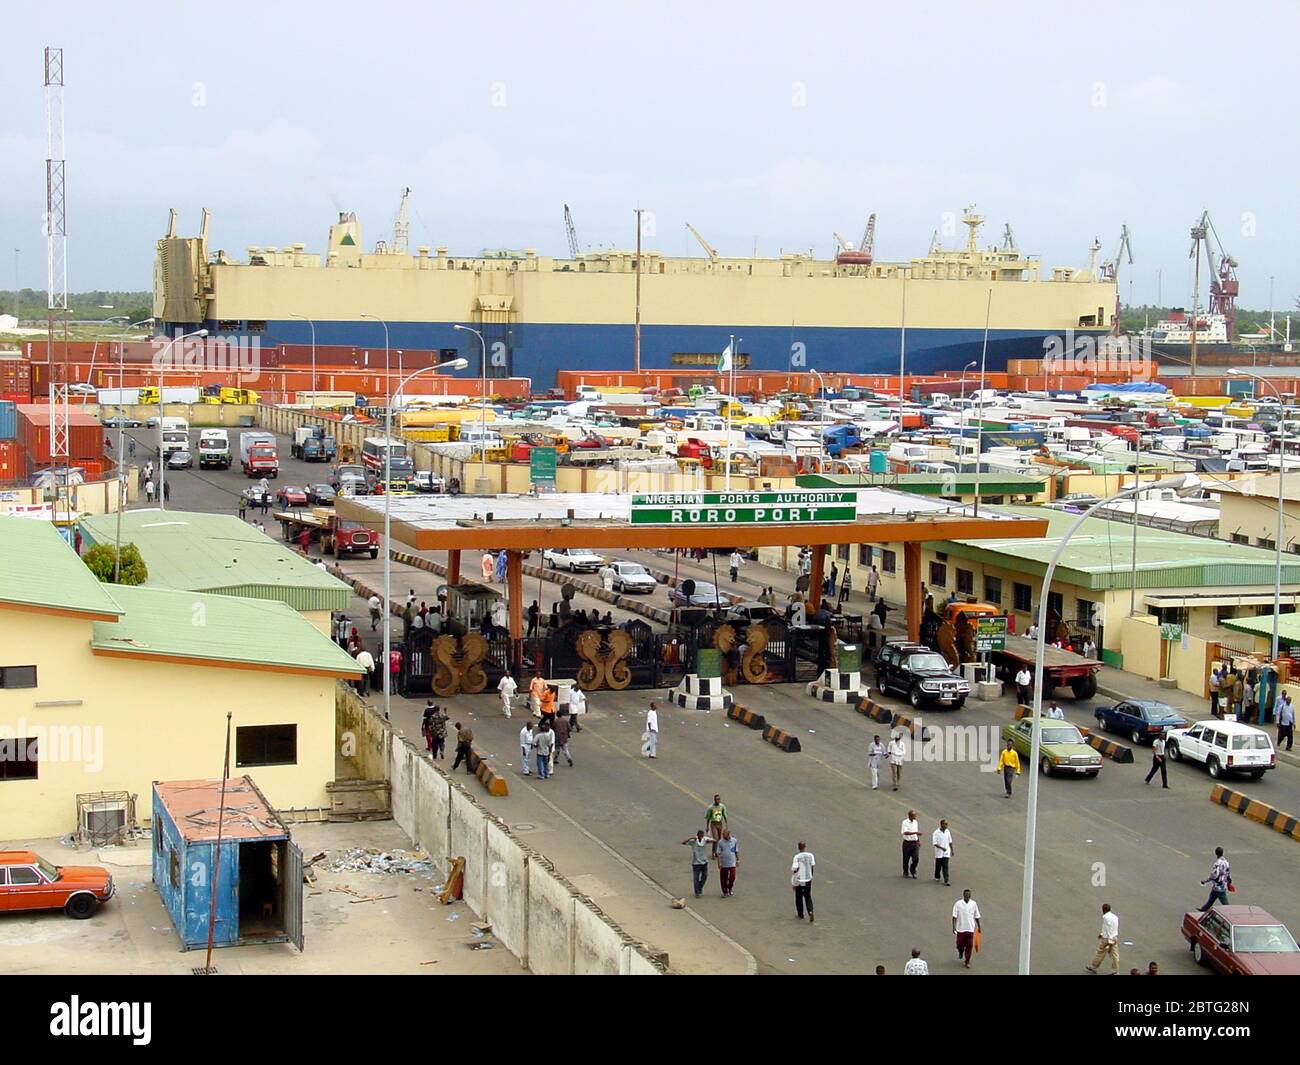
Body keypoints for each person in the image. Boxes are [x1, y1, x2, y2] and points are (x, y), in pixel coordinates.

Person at [1086, 903, 1120, 975]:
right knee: (1115, 955)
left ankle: (1094, 966)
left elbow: (1107, 928)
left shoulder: (1105, 917)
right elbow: (1114, 927)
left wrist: (1107, 938)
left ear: (1103, 910)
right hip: (1114, 937)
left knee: (1100, 952)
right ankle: (1115, 971)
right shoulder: (1115, 917)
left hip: (1107, 938)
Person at [952, 889, 981, 968]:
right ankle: (961, 951)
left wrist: (979, 926)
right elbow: (954, 916)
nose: (967, 897)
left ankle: (967, 961)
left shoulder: (973, 904)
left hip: (970, 929)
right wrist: (954, 927)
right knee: (959, 944)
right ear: (963, 895)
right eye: (966, 895)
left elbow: (977, 916)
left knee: (969, 945)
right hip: (960, 929)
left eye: (969, 896)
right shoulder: (958, 904)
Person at [1198, 847, 1231, 912]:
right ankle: (1204, 909)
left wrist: (1206, 880)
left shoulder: (1218, 863)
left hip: (1218, 886)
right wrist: (1229, 881)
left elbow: (1214, 874)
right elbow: (1228, 872)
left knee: (1224, 901)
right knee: (1212, 896)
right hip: (1223, 884)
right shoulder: (1226, 862)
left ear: (1216, 853)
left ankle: (1229, 912)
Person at [682, 830, 713, 899]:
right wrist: (690, 838)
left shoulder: (704, 840)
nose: (701, 837)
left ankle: (700, 887)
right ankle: (697, 892)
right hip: (696, 863)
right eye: (700, 835)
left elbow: (714, 840)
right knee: (696, 878)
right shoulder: (694, 841)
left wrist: (707, 839)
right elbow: (683, 842)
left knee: (704, 877)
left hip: (704, 862)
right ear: (697, 835)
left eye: (702, 835)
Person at [791, 841, 815, 923]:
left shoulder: (797, 857)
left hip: (800, 879)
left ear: (798, 848)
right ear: (805, 847)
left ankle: (800, 914)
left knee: (799, 897)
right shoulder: (810, 855)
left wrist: (793, 882)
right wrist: (811, 876)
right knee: (808, 896)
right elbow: (812, 866)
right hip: (808, 879)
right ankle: (810, 911)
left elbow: (795, 869)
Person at [715, 829, 739, 897]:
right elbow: (718, 853)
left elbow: (736, 850)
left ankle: (730, 888)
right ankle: (725, 891)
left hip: (732, 862)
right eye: (723, 835)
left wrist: (737, 860)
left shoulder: (734, 841)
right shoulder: (720, 842)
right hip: (724, 863)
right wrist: (719, 863)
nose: (723, 836)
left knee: (732, 877)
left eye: (724, 835)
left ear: (728, 834)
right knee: (723, 878)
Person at [932, 819, 954, 886]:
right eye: (945, 824)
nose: (946, 825)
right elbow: (935, 843)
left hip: (946, 852)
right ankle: (937, 876)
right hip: (939, 852)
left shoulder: (947, 831)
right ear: (941, 824)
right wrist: (942, 848)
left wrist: (952, 850)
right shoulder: (936, 832)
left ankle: (946, 880)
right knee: (938, 865)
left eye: (947, 824)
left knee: (945, 866)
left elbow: (950, 841)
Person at [900, 810, 920, 878]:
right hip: (907, 843)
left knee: (916, 858)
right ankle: (905, 872)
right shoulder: (905, 822)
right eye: (914, 815)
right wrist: (915, 833)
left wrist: (918, 840)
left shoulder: (915, 822)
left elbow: (916, 832)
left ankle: (913, 870)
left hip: (914, 842)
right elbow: (905, 832)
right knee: (906, 859)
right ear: (910, 816)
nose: (915, 816)